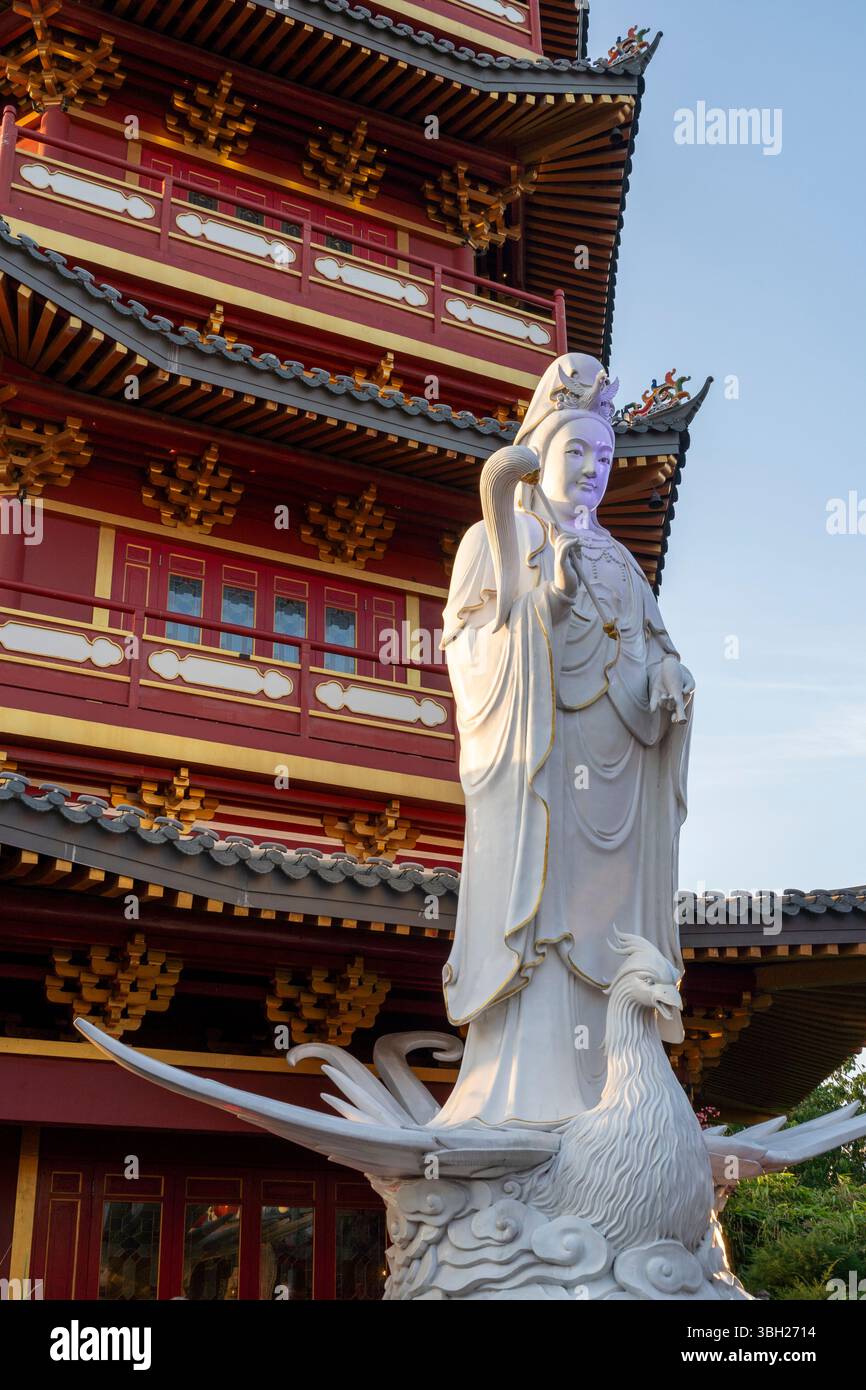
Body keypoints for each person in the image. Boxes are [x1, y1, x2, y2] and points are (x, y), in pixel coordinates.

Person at [432, 353, 694, 1127]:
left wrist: (672, 680)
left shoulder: (622, 562)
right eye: (575, 451)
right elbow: (469, 645)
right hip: (539, 775)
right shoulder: (497, 537)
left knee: (607, 937)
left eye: (606, 457)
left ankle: (618, 1098)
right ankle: (523, 1095)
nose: (592, 470)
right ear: (540, 453)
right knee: (543, 926)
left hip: (614, 778)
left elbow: (652, 648)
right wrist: (538, 614)